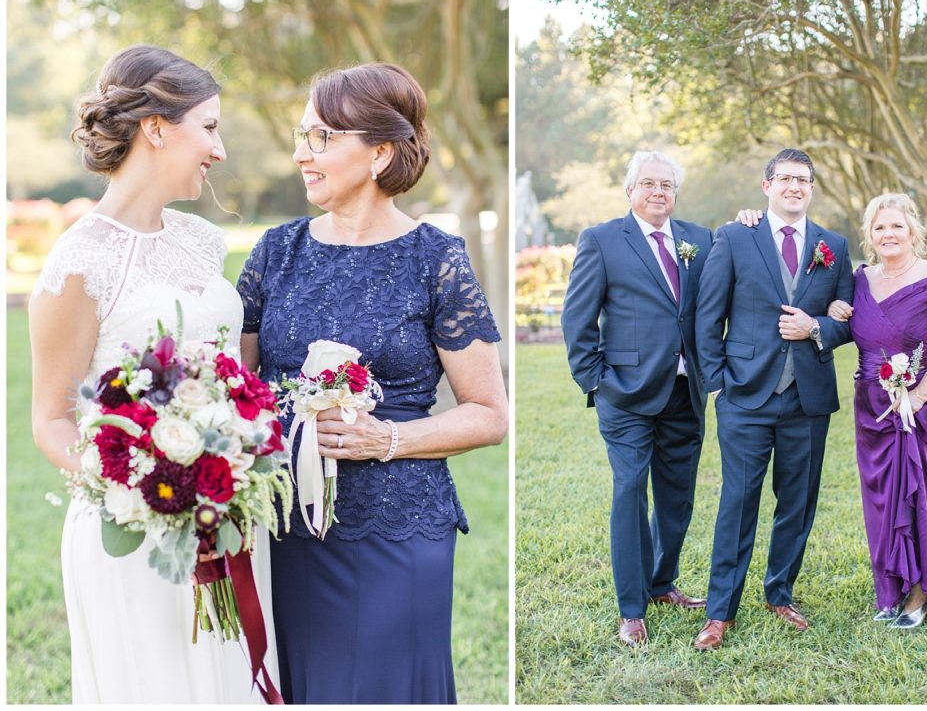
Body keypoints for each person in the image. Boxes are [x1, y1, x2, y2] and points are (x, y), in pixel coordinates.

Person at [236, 62, 508, 704]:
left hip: (396, 528)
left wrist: (385, 437)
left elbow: (490, 414)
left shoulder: (436, 259)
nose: (303, 153)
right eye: (303, 136)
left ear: (380, 151)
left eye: (322, 138)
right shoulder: (275, 252)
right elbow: (236, 390)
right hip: (284, 531)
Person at [29, 45, 276, 702]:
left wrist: (234, 448)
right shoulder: (80, 261)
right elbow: (50, 418)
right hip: (137, 532)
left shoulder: (201, 241)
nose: (219, 151)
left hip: (228, 516)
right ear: (157, 128)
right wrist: (139, 482)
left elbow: (224, 365)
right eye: (211, 127)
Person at [692, 148, 854, 650]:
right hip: (745, 396)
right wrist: (718, 378)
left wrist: (816, 328)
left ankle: (779, 592)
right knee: (737, 503)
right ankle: (720, 612)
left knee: (797, 502)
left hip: (808, 398)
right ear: (766, 186)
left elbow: (849, 319)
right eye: (784, 178)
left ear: (811, 188)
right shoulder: (735, 237)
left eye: (803, 180)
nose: (794, 187)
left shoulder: (834, 245)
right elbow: (706, 315)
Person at [561, 151, 713, 647]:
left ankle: (661, 582)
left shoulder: (699, 239)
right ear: (630, 190)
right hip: (624, 393)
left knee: (678, 496)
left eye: (666, 185)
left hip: (684, 391)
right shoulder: (602, 240)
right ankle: (631, 608)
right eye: (648, 184)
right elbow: (577, 320)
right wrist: (596, 381)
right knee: (630, 490)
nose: (658, 193)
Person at [825, 193, 927, 628]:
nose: (888, 234)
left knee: (913, 496)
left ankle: (921, 594)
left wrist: (918, 397)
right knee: (880, 501)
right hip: (869, 405)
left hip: (915, 408)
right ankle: (890, 589)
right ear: (869, 234)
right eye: (879, 227)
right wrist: (834, 309)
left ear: (912, 232)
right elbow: (851, 326)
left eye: (896, 226)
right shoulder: (860, 279)